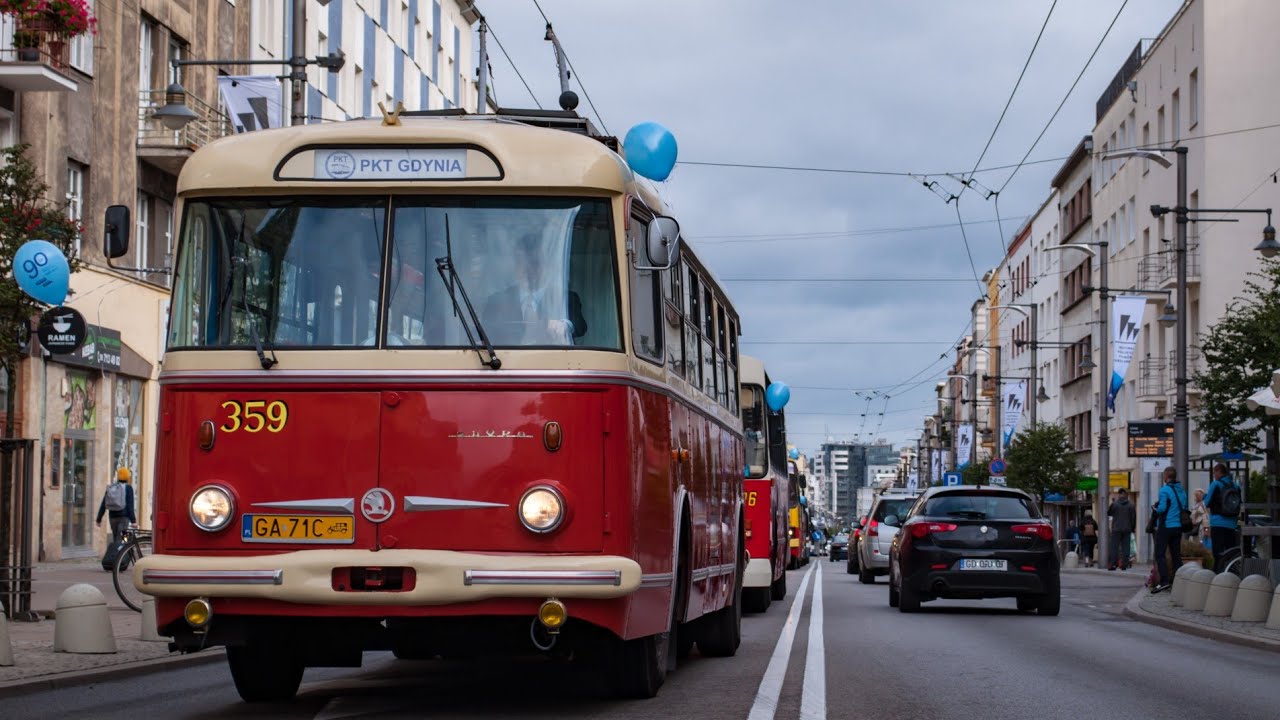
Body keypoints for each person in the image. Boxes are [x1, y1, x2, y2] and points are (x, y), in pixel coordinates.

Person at [483, 236, 587, 345]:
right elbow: (482, 334)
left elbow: (580, 326)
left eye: (534, 263)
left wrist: (563, 325)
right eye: (521, 262)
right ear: (515, 266)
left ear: (547, 266)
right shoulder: (496, 301)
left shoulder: (566, 298)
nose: (528, 269)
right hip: (505, 360)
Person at [1151, 466, 1188, 593]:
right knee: (1176, 555)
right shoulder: (1181, 491)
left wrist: (1155, 509)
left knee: (1159, 554)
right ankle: (1181, 582)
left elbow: (1162, 508)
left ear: (1166, 477)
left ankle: (1164, 581)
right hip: (1178, 526)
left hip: (1166, 526)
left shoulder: (1164, 490)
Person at [1204, 462, 1241, 571]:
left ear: (1219, 472)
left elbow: (1207, 502)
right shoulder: (1235, 486)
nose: (1214, 475)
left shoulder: (1216, 484)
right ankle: (1230, 572)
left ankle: (1218, 574)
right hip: (1232, 524)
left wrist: (1204, 496)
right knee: (1230, 552)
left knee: (1218, 552)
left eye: (1215, 472)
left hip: (1218, 522)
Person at [97, 467, 136, 551]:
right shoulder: (128, 488)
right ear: (127, 477)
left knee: (116, 538)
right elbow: (130, 505)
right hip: (124, 517)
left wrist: (99, 518)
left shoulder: (112, 488)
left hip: (112, 517)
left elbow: (104, 503)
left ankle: (116, 556)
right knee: (124, 537)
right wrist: (133, 521)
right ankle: (121, 556)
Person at [1107, 488, 1137, 570]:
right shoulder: (1131, 505)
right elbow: (1133, 518)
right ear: (1126, 495)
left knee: (1114, 547)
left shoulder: (1115, 504)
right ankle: (1124, 564)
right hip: (1127, 529)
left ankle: (1113, 564)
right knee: (1126, 547)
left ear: (1119, 494)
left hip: (1116, 529)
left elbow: (1109, 513)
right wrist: (1133, 528)